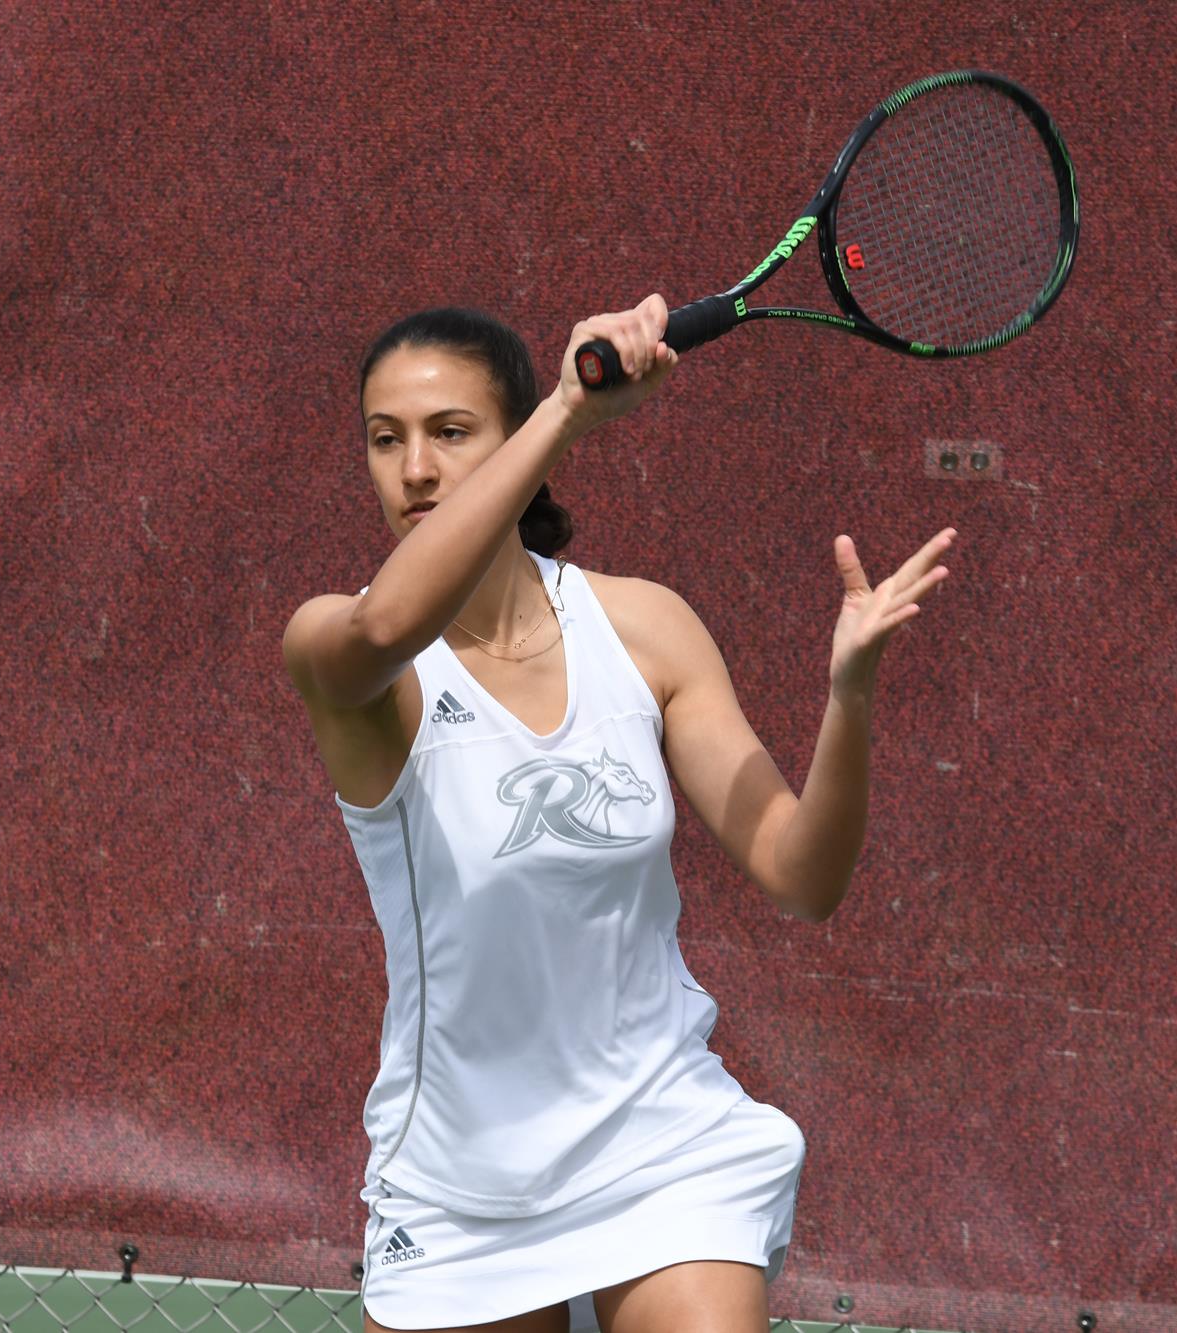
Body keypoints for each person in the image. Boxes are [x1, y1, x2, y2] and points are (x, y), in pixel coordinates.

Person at [280, 297, 956, 1333]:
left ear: (510, 447)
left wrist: (848, 696)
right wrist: (564, 410)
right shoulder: (340, 649)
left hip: (660, 1145)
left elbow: (802, 874)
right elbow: (389, 619)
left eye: (451, 433)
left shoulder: (641, 628)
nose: (413, 469)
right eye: (385, 440)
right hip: (461, 1185)